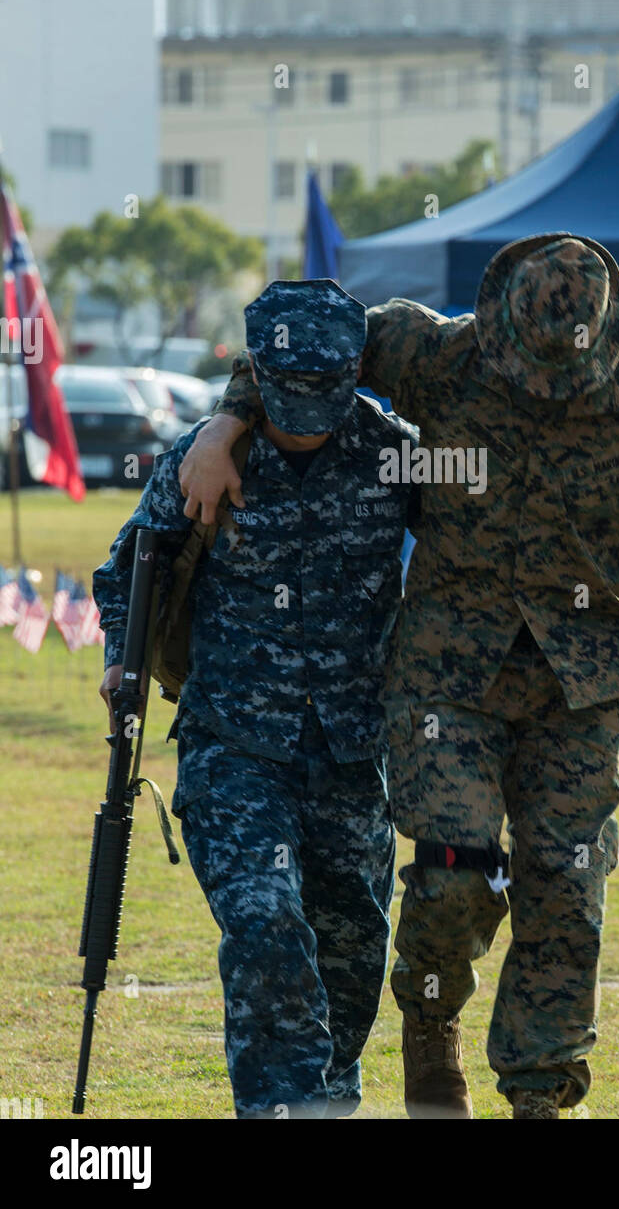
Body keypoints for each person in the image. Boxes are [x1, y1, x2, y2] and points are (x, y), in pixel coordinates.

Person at [178, 234, 619, 1120]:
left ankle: (539, 1095)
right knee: (454, 871)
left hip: (580, 685)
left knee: (566, 886)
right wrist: (229, 419)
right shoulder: (440, 352)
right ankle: (431, 1023)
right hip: (450, 675)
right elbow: (310, 341)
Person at [93, 278, 419, 1119]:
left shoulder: (395, 455)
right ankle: (285, 1111)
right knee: (267, 928)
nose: (306, 419)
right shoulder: (207, 457)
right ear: (258, 381)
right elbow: (129, 567)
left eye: (325, 398)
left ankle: (329, 1095)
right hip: (235, 742)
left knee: (352, 959)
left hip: (352, 754)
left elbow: (483, 519)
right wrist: (118, 665)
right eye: (287, 399)